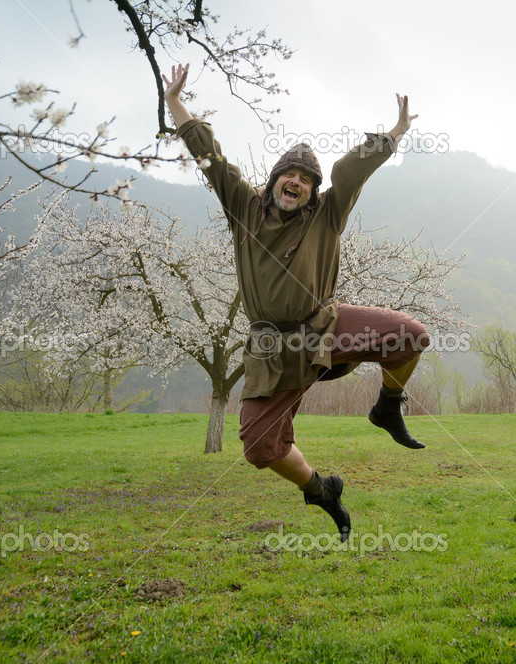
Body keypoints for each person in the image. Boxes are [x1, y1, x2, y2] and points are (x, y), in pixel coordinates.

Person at [163, 63, 429, 541]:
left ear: (312, 191)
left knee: (413, 336)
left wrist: (394, 133)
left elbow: (351, 170)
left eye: (306, 178)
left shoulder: (326, 214)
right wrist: (175, 103)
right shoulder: (243, 206)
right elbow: (210, 156)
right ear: (273, 181)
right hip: (270, 347)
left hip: (323, 326)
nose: (296, 181)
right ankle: (322, 490)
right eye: (289, 173)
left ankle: (388, 407)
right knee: (260, 448)